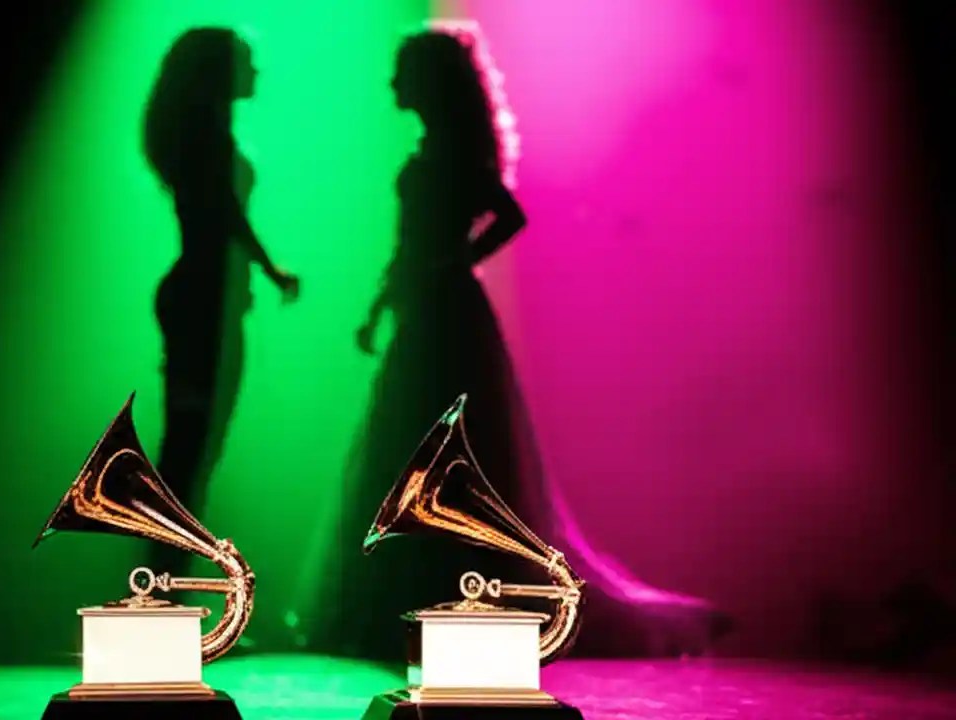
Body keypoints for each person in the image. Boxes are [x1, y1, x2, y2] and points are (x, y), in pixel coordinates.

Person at [326, 21, 729, 661]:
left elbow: (509, 214)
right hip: (426, 310)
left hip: (451, 314)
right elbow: (406, 249)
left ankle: (460, 589)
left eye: (403, 72)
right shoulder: (431, 154)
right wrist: (381, 307)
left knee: (457, 448)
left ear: (428, 82)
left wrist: (455, 262)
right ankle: (410, 594)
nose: (393, 83)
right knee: (411, 445)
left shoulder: (457, 154)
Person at [141, 28, 299, 577]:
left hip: (207, 299)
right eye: (246, 63)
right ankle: (162, 583)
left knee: (191, 448)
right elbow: (224, 210)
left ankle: (168, 580)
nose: (256, 72)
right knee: (189, 449)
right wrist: (270, 266)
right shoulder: (204, 131)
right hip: (202, 303)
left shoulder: (201, 130)